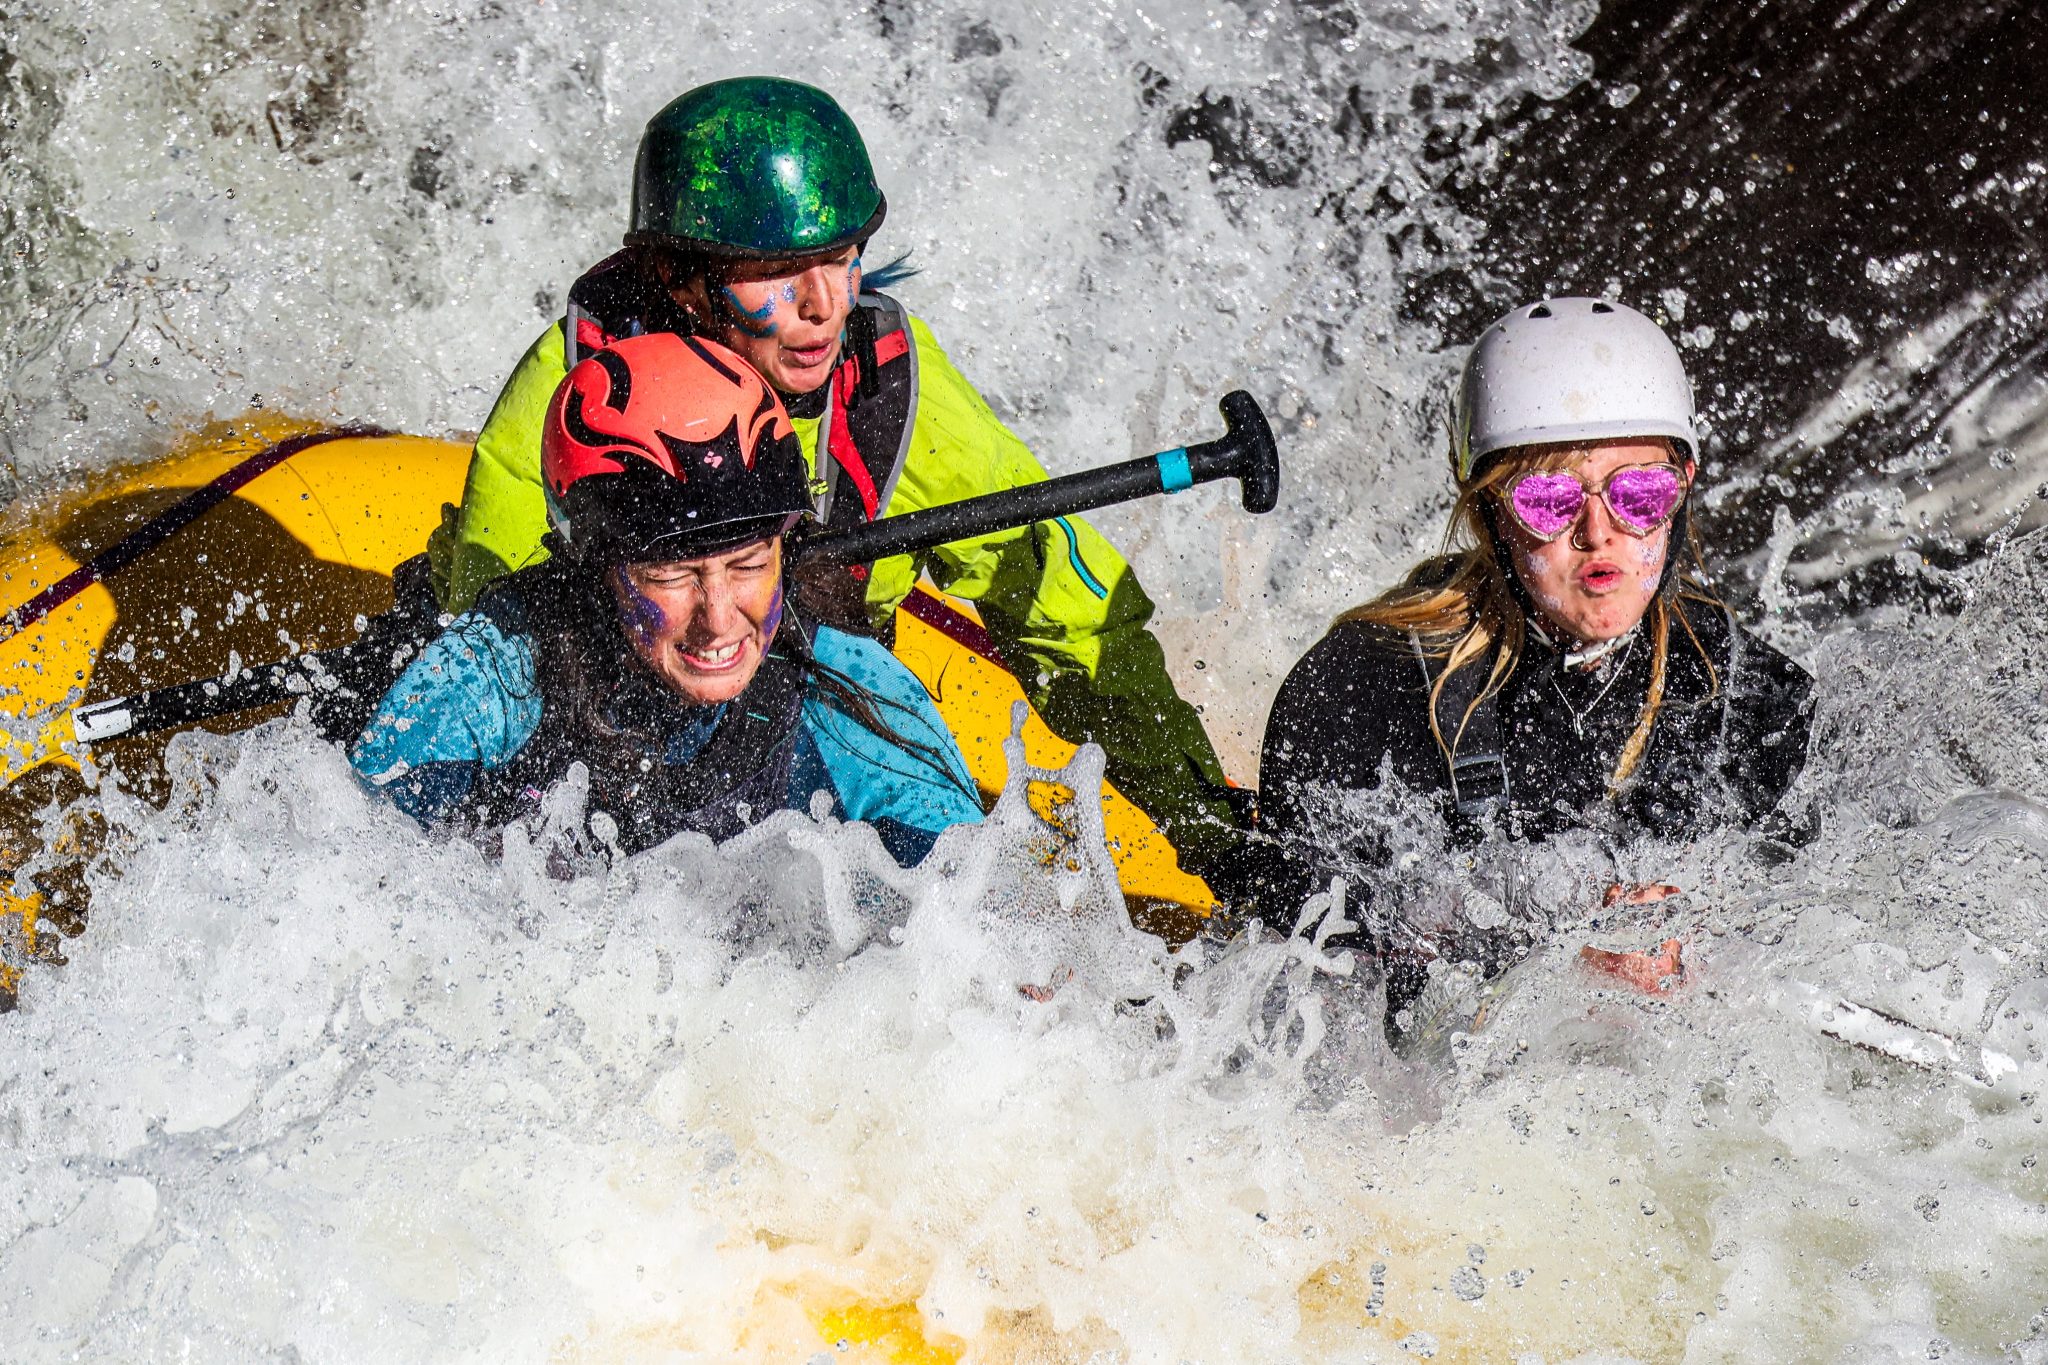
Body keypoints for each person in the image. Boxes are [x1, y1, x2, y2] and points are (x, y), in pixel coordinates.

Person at [426, 75, 1242, 883]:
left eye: (841, 258)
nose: (824, 305)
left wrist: (1216, 839)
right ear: (679, 277)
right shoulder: (577, 390)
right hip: (599, 731)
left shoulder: (887, 397)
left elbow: (1073, 616)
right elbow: (494, 648)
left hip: (814, 722)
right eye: (779, 270)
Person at [1253, 297, 1813, 1012]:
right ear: (1486, 509)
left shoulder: (1754, 698)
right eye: (1548, 500)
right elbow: (1306, 952)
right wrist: (1558, 924)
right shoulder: (1360, 689)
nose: (1597, 531)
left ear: (1683, 490)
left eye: (1639, 492)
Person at [354, 333, 983, 866]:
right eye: (674, 574)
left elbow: (972, 912)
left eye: (748, 563)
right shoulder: (498, 669)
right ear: (595, 568)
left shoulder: (850, 689)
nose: (719, 617)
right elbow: (358, 869)